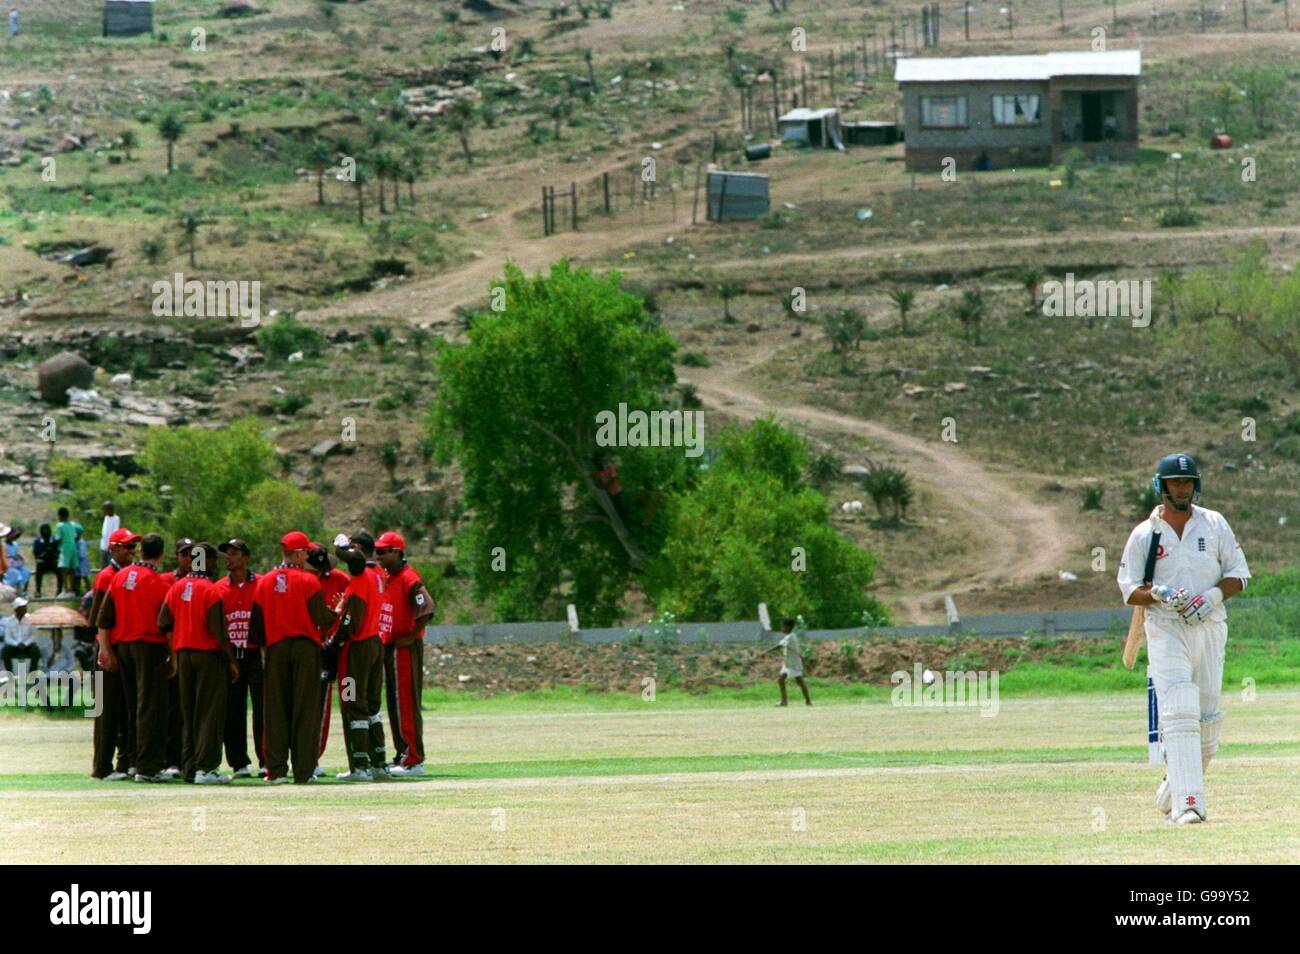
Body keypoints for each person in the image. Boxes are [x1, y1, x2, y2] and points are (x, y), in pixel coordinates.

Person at [1119, 453, 1250, 825]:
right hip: (1165, 628)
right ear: (1160, 487)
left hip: (1210, 625)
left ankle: (1170, 791)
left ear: (1196, 485)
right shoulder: (1145, 534)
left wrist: (1210, 597)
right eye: (1175, 482)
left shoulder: (1214, 524)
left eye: (1188, 482)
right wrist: (1159, 594)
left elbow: (1239, 575)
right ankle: (1188, 805)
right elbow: (1130, 591)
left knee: (1208, 724)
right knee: (1179, 710)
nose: (1182, 488)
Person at [248, 531, 334, 784]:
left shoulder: (264, 582)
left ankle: (275, 770)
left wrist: (267, 649)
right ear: (297, 553)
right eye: (305, 552)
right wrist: (337, 612)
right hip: (305, 650)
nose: (307, 556)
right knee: (304, 709)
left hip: (275, 649)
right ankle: (303, 771)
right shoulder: (309, 581)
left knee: (275, 710)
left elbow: (256, 626)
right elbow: (322, 619)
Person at [96, 532, 172, 783]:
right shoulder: (159, 583)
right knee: (151, 706)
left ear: (140, 551)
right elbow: (165, 623)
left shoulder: (118, 578)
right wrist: (173, 654)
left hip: (124, 647)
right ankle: (147, 767)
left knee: (131, 707)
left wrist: (106, 649)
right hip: (148, 647)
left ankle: (129, 761)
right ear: (160, 554)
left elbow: (104, 618)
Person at [159, 543, 237, 785]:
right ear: (209, 561)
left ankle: (190, 767)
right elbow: (218, 631)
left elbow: (163, 622)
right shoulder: (211, 590)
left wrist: (173, 652)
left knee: (189, 712)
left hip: (184, 655)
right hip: (208, 656)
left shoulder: (177, 588)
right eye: (215, 559)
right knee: (209, 712)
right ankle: (207, 768)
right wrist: (232, 660)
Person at [375, 532, 433, 776]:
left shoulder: (409, 578)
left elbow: (427, 606)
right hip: (391, 646)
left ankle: (414, 759)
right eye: (377, 551)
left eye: (384, 551)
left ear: (397, 552)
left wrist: (412, 635)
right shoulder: (390, 576)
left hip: (404, 647)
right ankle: (402, 754)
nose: (379, 555)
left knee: (405, 702)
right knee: (395, 703)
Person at [331, 544, 388, 780]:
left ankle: (360, 766)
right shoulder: (377, 575)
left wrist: (333, 642)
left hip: (357, 649)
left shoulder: (357, 582)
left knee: (354, 702)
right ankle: (379, 763)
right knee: (372, 706)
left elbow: (351, 625)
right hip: (375, 643)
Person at [89, 527, 139, 780]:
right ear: (113, 548)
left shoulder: (128, 575)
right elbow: (98, 620)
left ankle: (124, 762)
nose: (132, 551)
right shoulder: (107, 577)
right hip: (107, 647)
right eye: (127, 546)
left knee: (125, 707)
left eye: (133, 547)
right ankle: (102, 766)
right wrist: (105, 651)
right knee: (106, 710)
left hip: (122, 648)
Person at [215, 539, 262, 778]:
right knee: (233, 710)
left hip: (256, 653)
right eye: (226, 554)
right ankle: (239, 763)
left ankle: (267, 759)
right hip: (232, 654)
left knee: (262, 708)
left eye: (234, 554)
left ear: (246, 558)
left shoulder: (262, 584)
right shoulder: (219, 588)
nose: (228, 558)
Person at [307, 544, 349, 778]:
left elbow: (351, 610)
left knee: (333, 701)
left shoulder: (341, 579)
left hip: (332, 648)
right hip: (305, 645)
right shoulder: (299, 580)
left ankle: (314, 756)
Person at [157, 538, 194, 777]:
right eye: (184, 554)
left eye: (193, 554)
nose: (189, 559)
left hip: (194, 650)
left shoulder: (202, 582)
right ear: (176, 556)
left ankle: (190, 759)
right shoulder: (166, 582)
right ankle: (172, 759)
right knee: (172, 708)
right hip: (174, 650)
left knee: (191, 708)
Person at [762, 617, 812, 707]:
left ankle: (807, 701)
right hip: (788, 663)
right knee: (781, 680)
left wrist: (766, 652)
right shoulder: (789, 636)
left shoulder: (790, 637)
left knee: (799, 681)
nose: (782, 628)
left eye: (783, 627)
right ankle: (784, 702)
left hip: (793, 663)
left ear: (788, 627)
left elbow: (779, 646)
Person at [1, 597, 39, 674]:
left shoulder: (30, 619)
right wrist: (17, 644)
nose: (25, 608)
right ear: (17, 609)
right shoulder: (9, 621)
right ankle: (10, 674)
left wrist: (26, 643)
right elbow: (8, 638)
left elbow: (33, 635)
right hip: (15, 646)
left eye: (25, 606)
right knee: (5, 651)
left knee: (35, 650)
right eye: (23, 607)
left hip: (27, 645)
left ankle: (33, 674)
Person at [53, 507, 81, 598]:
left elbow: (58, 538)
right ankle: (72, 589)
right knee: (72, 569)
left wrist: (56, 545)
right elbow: (76, 536)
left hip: (65, 548)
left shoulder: (60, 526)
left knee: (64, 569)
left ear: (60, 516)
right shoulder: (72, 524)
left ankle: (66, 589)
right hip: (73, 547)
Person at [33, 524, 58, 597]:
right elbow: (35, 554)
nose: (46, 532)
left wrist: (53, 553)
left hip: (52, 561)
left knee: (59, 566)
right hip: (43, 561)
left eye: (47, 530)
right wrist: (43, 554)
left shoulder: (54, 540)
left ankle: (59, 590)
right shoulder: (37, 541)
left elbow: (58, 552)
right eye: (44, 530)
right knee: (39, 565)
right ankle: (38, 591)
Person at [3, 527, 30, 594]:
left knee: (26, 571)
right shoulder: (3, 545)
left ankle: (24, 591)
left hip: (15, 563)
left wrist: (20, 557)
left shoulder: (15, 544)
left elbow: (16, 553)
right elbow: (4, 557)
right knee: (16, 574)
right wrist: (11, 557)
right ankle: (14, 591)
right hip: (8, 565)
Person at [99, 502, 120, 569]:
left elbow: (114, 533)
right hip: (103, 547)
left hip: (110, 548)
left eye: (104, 509)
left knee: (111, 567)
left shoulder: (116, 518)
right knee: (103, 567)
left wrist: (110, 546)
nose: (103, 511)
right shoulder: (106, 518)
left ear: (109, 509)